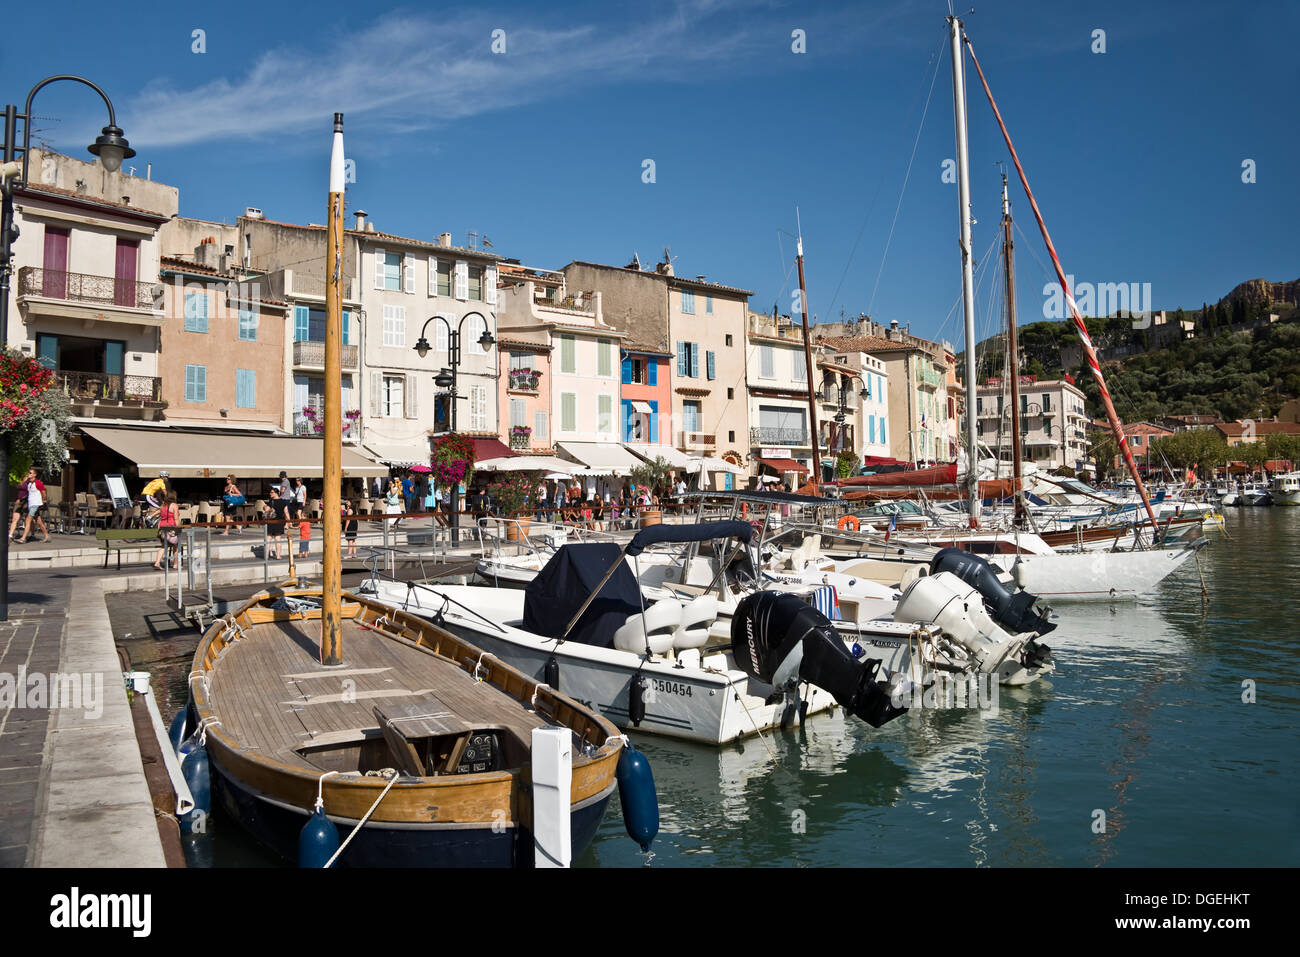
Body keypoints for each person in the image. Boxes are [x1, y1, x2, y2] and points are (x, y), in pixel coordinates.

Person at [14, 468, 50, 544]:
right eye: (28, 473)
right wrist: (20, 499)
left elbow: (43, 492)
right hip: (31, 504)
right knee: (38, 521)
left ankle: (23, 538)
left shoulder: (38, 483)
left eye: (30, 473)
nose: (28, 474)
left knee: (28, 519)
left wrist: (43, 501)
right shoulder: (29, 483)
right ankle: (47, 536)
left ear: (34, 474)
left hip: (35, 504)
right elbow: (22, 488)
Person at [153, 493, 180, 570]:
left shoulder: (163, 506)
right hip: (171, 528)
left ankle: (157, 562)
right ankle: (175, 564)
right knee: (176, 546)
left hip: (162, 528)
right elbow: (176, 518)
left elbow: (161, 518)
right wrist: (178, 528)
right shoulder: (174, 505)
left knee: (163, 546)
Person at [265, 486, 288, 560]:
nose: (270, 494)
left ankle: (266, 556)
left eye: (272, 492)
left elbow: (266, 510)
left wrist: (265, 507)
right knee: (278, 539)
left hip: (271, 521)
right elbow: (286, 512)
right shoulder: (283, 502)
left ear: (276, 493)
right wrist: (288, 522)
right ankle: (278, 556)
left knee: (268, 539)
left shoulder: (271, 502)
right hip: (279, 522)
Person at [9, 472, 30, 541]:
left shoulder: (29, 482)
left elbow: (30, 493)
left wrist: (21, 499)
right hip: (19, 502)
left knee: (29, 520)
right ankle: (10, 535)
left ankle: (32, 534)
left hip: (26, 502)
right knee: (15, 519)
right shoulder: (20, 480)